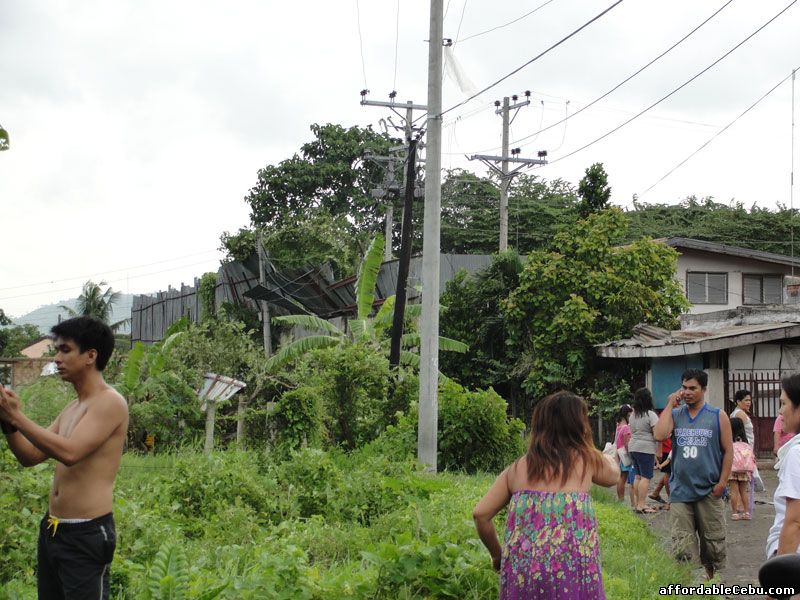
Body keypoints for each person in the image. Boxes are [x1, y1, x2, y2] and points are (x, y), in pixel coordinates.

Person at [0, 317, 129, 599]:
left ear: (90, 356)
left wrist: (17, 416)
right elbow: (30, 456)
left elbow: (70, 453)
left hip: (86, 533)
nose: (56, 359)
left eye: (65, 350)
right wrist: (7, 421)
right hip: (53, 528)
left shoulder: (110, 402)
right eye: (57, 350)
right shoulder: (73, 407)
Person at [473, 391, 619, 599]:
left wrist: (498, 556)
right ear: (579, 426)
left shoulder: (517, 468)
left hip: (523, 572)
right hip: (572, 574)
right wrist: (605, 454)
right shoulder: (587, 460)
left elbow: (481, 514)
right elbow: (613, 476)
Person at [654, 368, 733, 580]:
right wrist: (670, 404)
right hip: (680, 491)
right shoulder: (676, 414)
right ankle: (687, 586)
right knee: (683, 544)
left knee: (712, 544)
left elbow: (728, 451)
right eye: (684, 387)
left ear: (704, 389)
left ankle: (711, 583)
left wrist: (722, 482)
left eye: (693, 388)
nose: (687, 392)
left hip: (709, 489)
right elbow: (659, 434)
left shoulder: (718, 416)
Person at [766, 373, 800, 559]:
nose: (780, 411)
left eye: (784, 403)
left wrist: (784, 578)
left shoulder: (797, 453)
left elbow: (795, 521)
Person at [629, 387, 661, 514]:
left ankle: (638, 503)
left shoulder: (633, 415)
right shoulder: (650, 414)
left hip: (633, 447)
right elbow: (657, 433)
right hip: (646, 448)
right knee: (646, 478)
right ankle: (642, 505)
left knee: (638, 476)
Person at [728, 417, 756, 521]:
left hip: (733, 469)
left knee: (734, 491)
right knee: (743, 491)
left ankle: (735, 513)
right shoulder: (745, 441)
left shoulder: (729, 441)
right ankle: (746, 512)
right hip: (744, 470)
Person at [614, 404, 634, 502]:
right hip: (624, 455)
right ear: (627, 414)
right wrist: (630, 455)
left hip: (618, 454)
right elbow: (627, 444)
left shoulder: (618, 425)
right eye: (630, 414)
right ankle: (621, 499)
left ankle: (620, 499)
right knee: (623, 477)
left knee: (620, 477)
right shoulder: (626, 427)